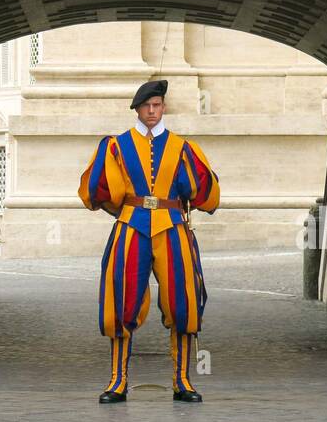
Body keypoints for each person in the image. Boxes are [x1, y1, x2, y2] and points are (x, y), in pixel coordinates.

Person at [77, 79, 220, 404]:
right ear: (137, 109)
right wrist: (126, 208)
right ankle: (117, 381)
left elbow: (204, 193)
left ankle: (182, 380)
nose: (152, 111)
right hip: (131, 227)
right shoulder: (116, 145)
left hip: (172, 227)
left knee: (183, 304)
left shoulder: (182, 147)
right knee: (120, 302)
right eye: (146, 106)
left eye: (156, 105)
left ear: (163, 107)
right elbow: (97, 191)